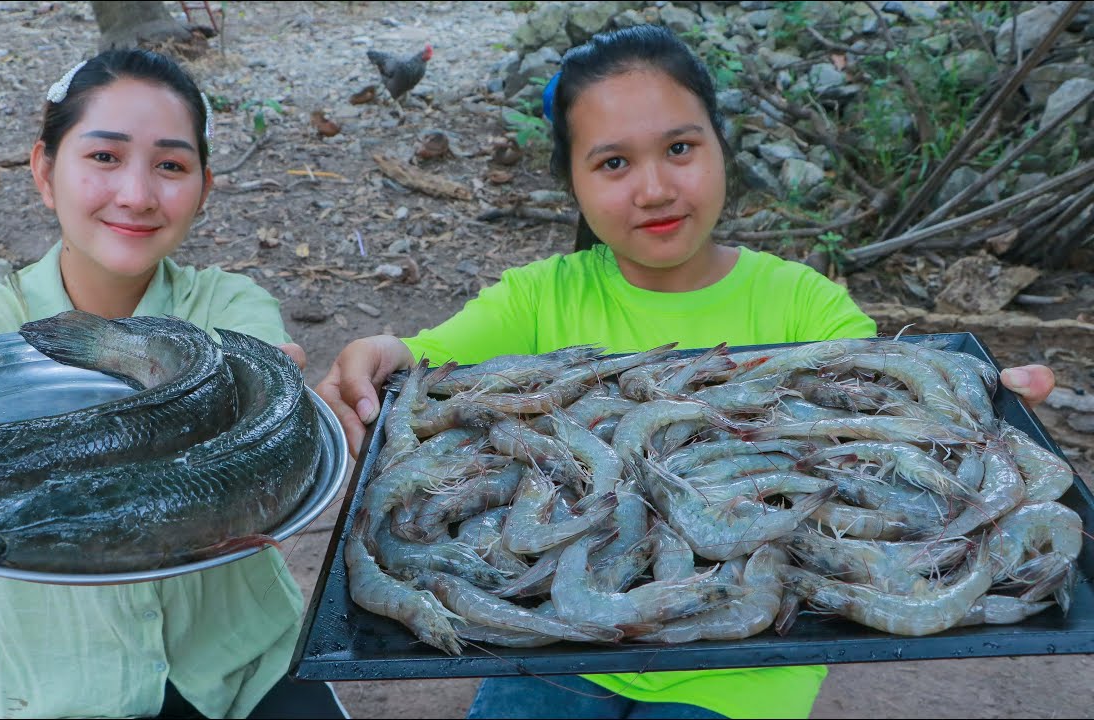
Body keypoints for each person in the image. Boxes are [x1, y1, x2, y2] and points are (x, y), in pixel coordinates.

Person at [314, 24, 1056, 720]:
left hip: (748, 673)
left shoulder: (802, 304)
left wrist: (989, 403)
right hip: (560, 657)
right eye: (613, 163)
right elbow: (419, 361)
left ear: (721, 148)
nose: (654, 188)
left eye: (679, 149)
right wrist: (378, 356)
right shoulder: (540, 298)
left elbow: (900, 391)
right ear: (570, 181)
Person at [0, 49, 348, 720]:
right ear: (44, 171)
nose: (136, 194)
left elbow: (271, 386)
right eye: (104, 157)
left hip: (250, 667)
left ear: (203, 188)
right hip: (63, 691)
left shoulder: (231, 310)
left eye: (170, 165)